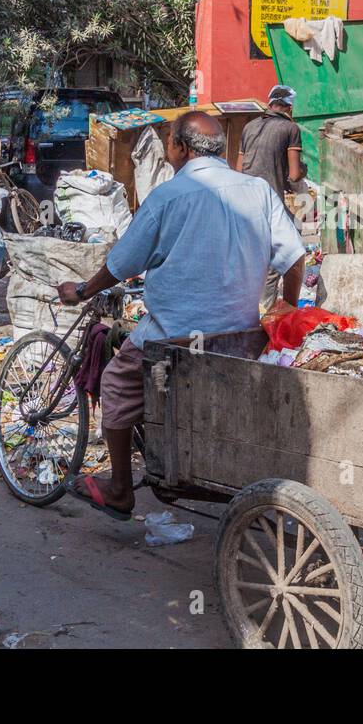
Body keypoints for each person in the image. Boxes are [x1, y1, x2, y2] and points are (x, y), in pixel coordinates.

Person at [57, 112, 305, 518]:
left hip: (174, 338)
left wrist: (81, 290)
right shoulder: (258, 191)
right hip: (241, 335)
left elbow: (121, 265)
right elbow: (295, 259)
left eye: (170, 142)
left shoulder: (167, 197)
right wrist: (288, 309)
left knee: (117, 383)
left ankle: (120, 488)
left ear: (182, 149)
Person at [239, 85, 306, 308]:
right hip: (271, 203)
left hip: (244, 202)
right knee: (286, 257)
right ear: (289, 107)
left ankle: (250, 307)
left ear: (269, 103)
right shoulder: (290, 128)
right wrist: (302, 169)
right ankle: (270, 312)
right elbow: (294, 175)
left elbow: (239, 170)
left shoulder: (249, 127)